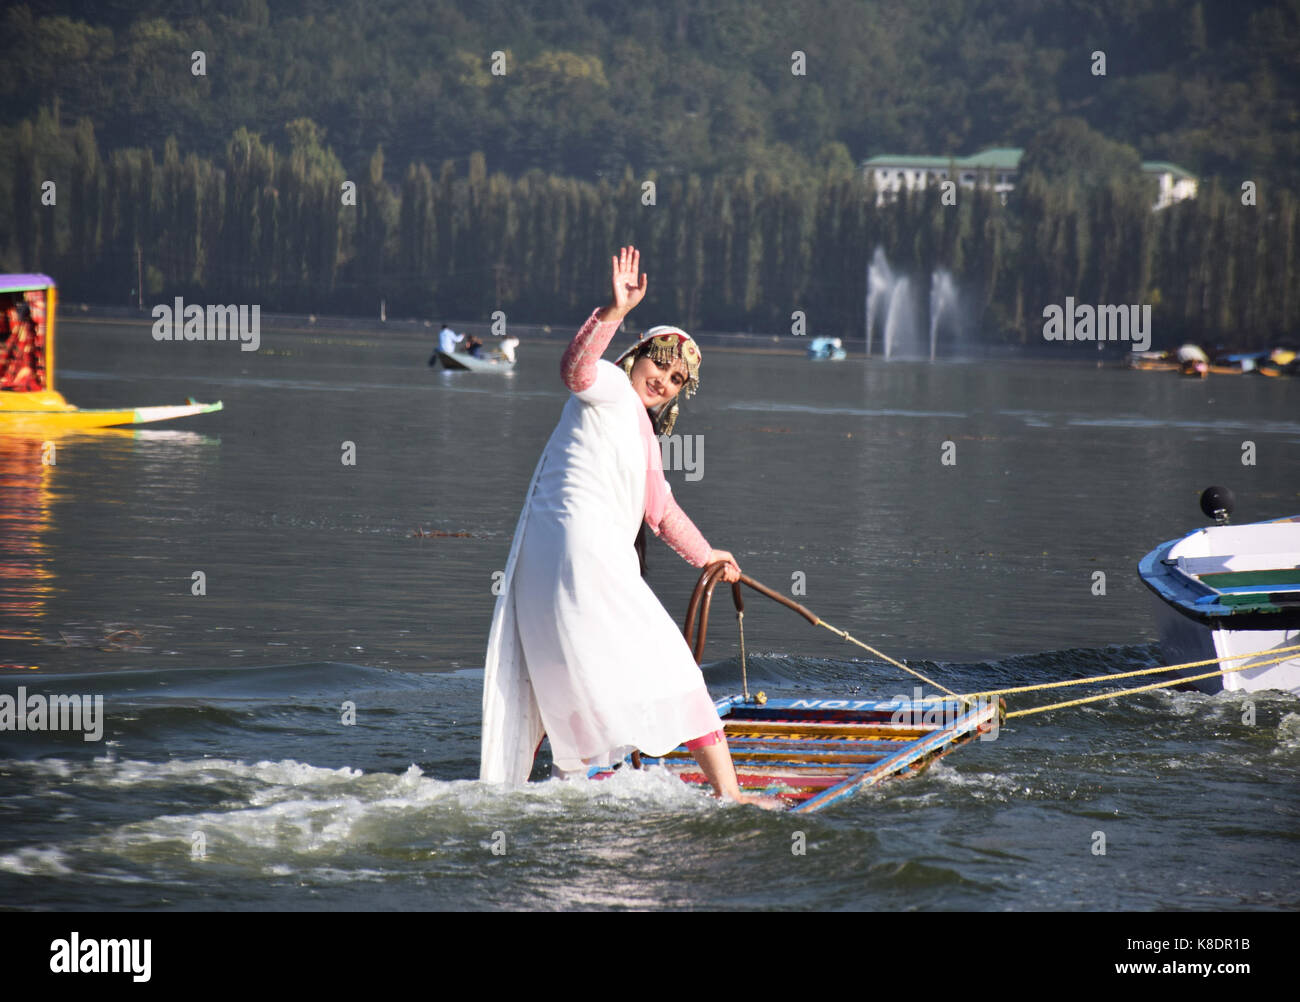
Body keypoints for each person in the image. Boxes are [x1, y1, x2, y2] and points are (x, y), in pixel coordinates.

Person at [481, 246, 775, 807]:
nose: (664, 380)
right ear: (635, 355)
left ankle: (548, 795)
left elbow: (660, 512)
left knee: (563, 673)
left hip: (541, 570)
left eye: (676, 378)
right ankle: (730, 794)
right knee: (675, 670)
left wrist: (709, 555)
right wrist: (613, 312)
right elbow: (576, 369)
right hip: (583, 556)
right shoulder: (610, 389)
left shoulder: (635, 427)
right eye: (659, 364)